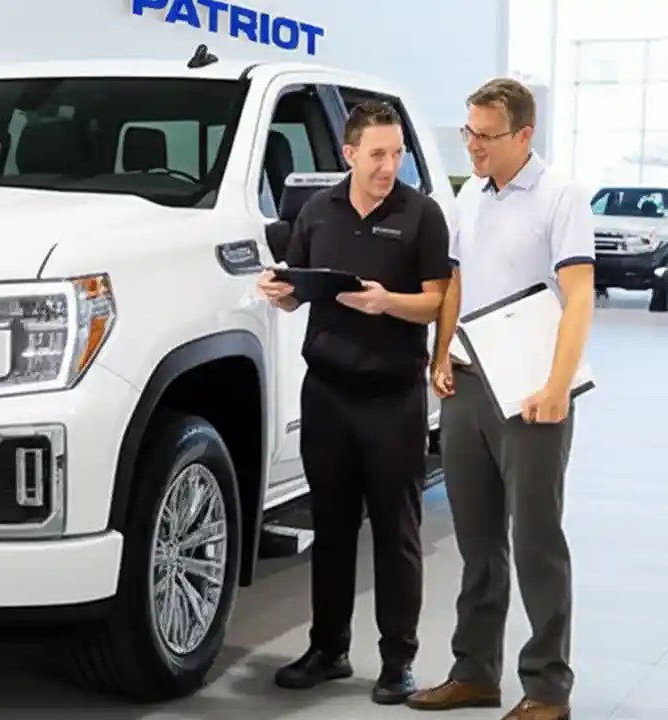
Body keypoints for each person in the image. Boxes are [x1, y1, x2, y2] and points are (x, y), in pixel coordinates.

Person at [406, 78, 595, 720]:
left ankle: (546, 689)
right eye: (468, 132)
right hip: (468, 381)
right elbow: (457, 281)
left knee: (537, 539)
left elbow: (579, 297)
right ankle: (474, 673)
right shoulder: (469, 196)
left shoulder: (560, 196)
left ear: (523, 135)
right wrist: (441, 354)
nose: (474, 146)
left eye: (486, 136)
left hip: (533, 391)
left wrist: (558, 385)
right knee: (477, 539)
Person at [257, 100, 451, 705]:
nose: (389, 166)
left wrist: (387, 302)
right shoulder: (318, 211)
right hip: (329, 395)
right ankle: (328, 649)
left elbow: (437, 301)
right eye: (377, 155)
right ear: (348, 154)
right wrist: (279, 294)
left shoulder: (422, 215)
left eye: (396, 154)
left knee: (396, 533)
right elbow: (301, 293)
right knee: (333, 527)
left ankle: (399, 661)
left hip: (393, 397)